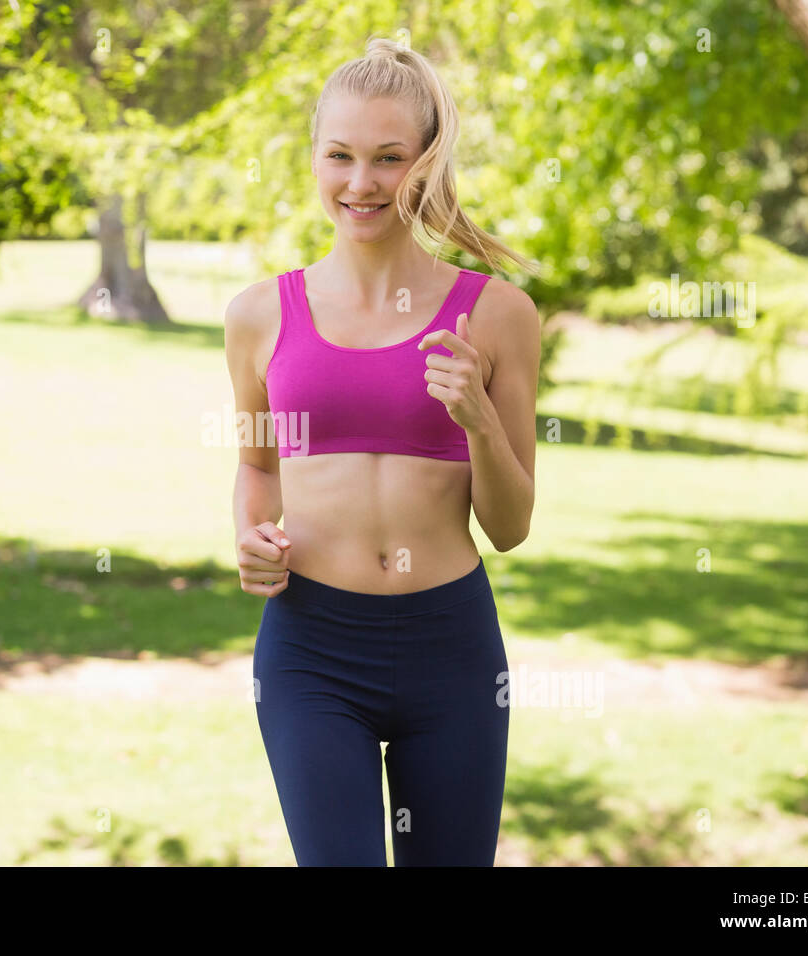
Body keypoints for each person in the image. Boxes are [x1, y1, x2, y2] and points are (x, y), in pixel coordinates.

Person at [223, 36, 541, 866]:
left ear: (427, 163)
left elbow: (508, 527)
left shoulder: (499, 316)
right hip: (311, 651)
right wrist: (252, 535)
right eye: (341, 157)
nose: (360, 184)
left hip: (453, 650)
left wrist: (477, 417)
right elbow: (259, 467)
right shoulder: (259, 316)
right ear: (316, 159)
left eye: (388, 158)